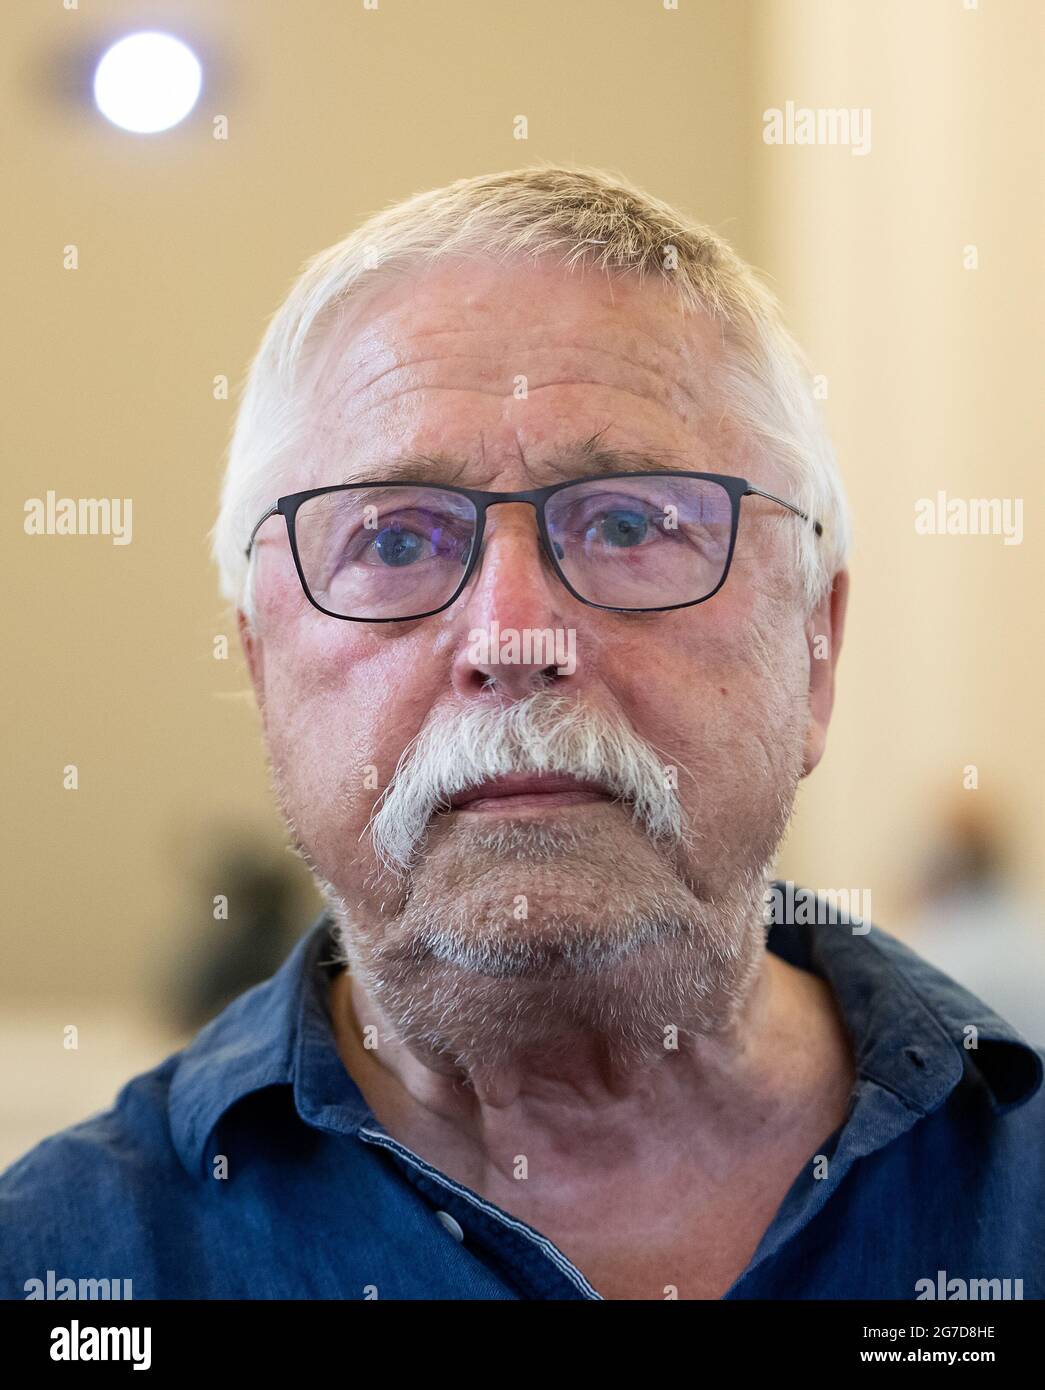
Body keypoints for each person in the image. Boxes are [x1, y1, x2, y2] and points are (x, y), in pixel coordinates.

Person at [3, 166, 1042, 1301]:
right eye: (395, 542)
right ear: (261, 666)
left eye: (631, 521)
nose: (514, 635)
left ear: (816, 645)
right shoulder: (66, 1266)